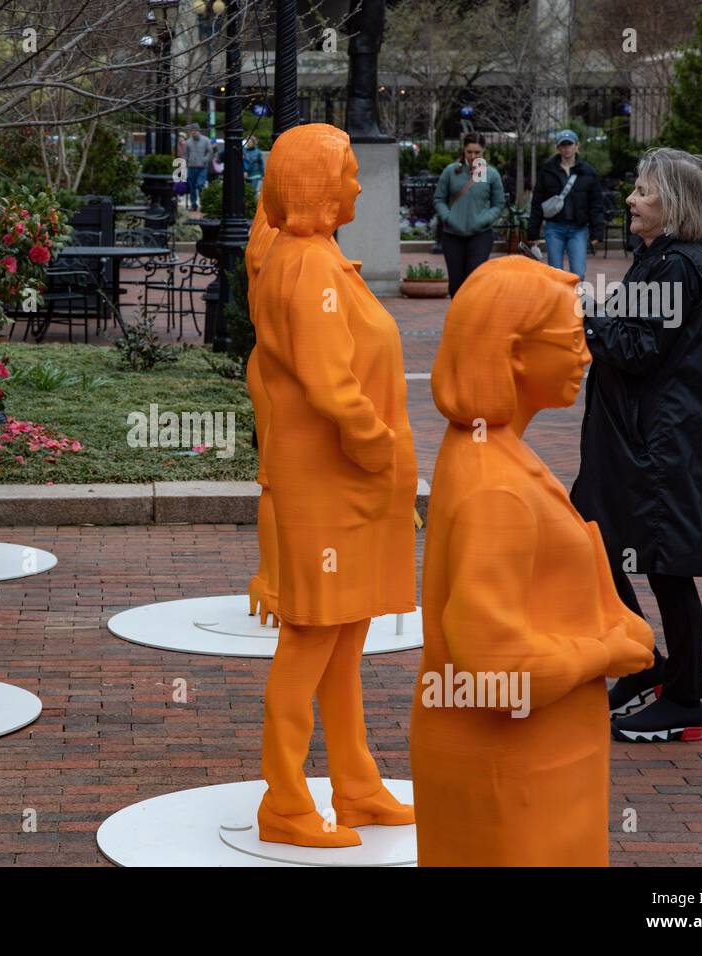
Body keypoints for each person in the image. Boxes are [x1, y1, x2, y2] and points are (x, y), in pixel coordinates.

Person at [413, 255, 654, 865]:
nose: (587, 355)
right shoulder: (495, 483)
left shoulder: (490, 450)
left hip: (533, 767)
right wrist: (608, 649)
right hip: (516, 777)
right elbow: (494, 669)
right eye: (573, 340)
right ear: (516, 352)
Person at [254, 124, 419, 848]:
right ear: (318, 183)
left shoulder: (311, 257)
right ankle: (286, 801)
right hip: (332, 481)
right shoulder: (308, 267)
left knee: (344, 641)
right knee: (313, 636)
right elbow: (331, 383)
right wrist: (378, 447)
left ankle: (356, 785)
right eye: (349, 173)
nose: (358, 184)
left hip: (341, 481)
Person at [571, 147, 702, 743]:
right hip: (638, 438)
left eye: (643, 191)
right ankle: (645, 661)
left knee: (666, 566)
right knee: (592, 536)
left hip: (658, 442)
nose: (631, 200)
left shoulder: (677, 267)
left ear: (673, 205)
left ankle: (683, 699)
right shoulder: (663, 259)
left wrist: (586, 319)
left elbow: (640, 349)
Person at [433, 132, 505, 297]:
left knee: (475, 280)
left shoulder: (491, 174)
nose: (473, 156)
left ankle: (473, 319)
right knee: (456, 284)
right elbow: (439, 199)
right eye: (469, 152)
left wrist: (484, 219)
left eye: (477, 152)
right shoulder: (451, 172)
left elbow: (498, 204)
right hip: (453, 234)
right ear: (464, 151)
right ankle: (458, 319)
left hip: (480, 234)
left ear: (483, 151)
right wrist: (448, 218)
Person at [527, 129, 605, 281]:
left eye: (570, 144)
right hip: (554, 228)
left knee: (578, 273)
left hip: (578, 229)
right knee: (555, 274)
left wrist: (597, 231)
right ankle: (560, 304)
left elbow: (596, 203)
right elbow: (537, 202)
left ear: (577, 146)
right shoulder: (547, 171)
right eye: (563, 145)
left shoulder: (588, 172)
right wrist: (533, 232)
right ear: (558, 147)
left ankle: (573, 303)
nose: (566, 148)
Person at [183, 124, 210, 211]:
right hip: (191, 167)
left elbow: (210, 152)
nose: (193, 132)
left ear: (199, 131)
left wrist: (205, 159)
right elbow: (186, 154)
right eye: (192, 131)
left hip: (202, 167)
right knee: (192, 187)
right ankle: (193, 204)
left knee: (200, 185)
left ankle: (203, 203)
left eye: (195, 131)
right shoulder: (188, 142)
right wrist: (185, 163)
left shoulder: (206, 140)